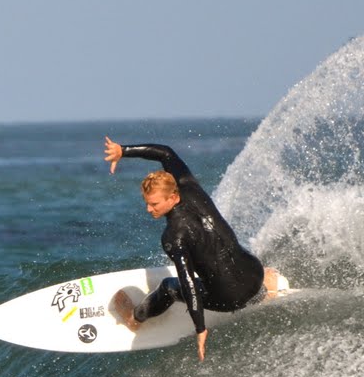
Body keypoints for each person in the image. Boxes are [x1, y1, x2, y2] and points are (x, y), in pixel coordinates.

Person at [102, 136, 276, 361]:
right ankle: (263, 292)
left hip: (230, 299)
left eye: (154, 204)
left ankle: (135, 318)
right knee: (229, 248)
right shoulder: (190, 186)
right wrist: (123, 151)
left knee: (169, 287)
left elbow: (188, 284)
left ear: (172, 198)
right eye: (147, 202)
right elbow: (165, 152)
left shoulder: (173, 236)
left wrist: (200, 328)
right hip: (255, 274)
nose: (149, 209)